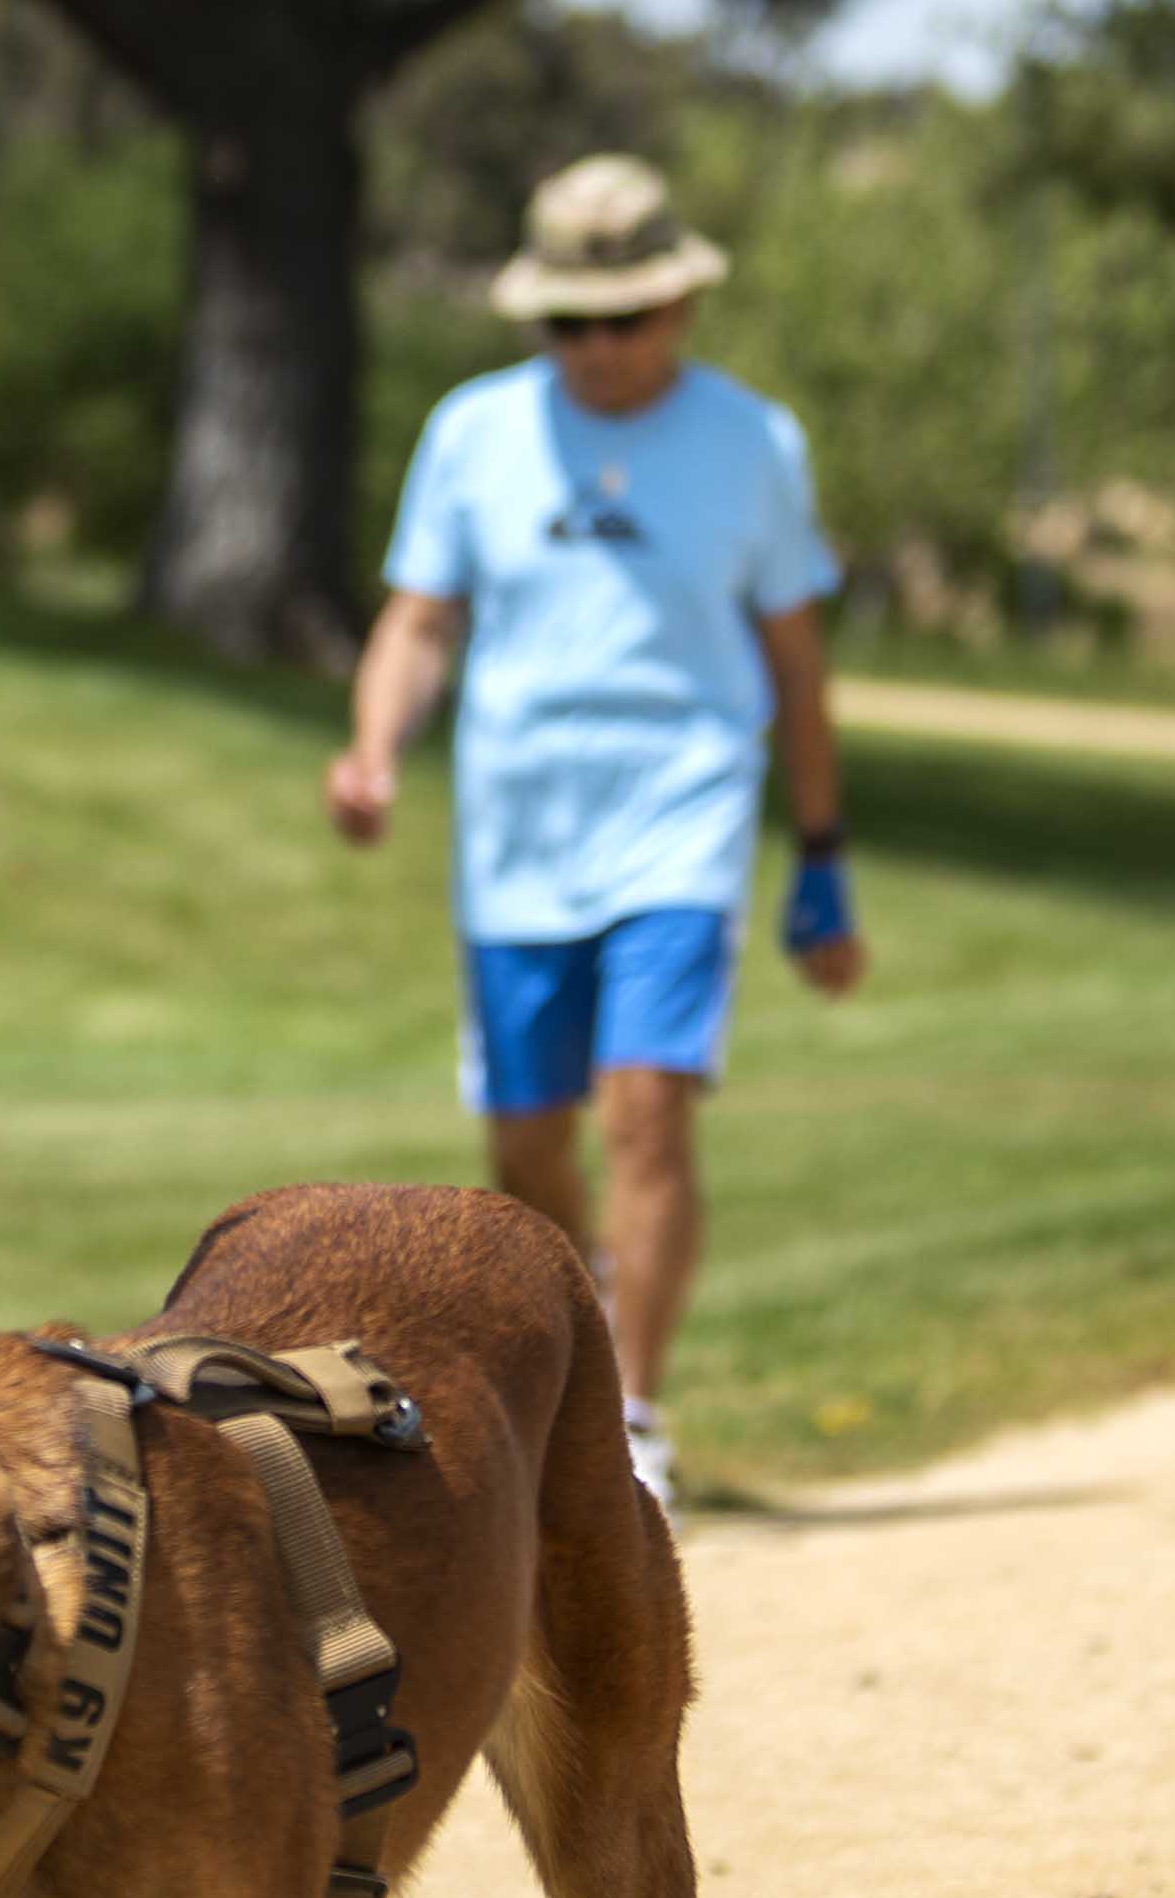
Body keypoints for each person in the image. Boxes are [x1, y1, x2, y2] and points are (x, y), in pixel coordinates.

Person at [322, 154, 863, 1502]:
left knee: (646, 1107)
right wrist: (376, 743)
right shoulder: (472, 432)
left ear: (680, 306)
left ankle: (629, 1413)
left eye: (626, 316)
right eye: (572, 321)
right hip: (517, 828)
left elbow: (793, 658)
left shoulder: (753, 441)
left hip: (680, 810)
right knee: (523, 1145)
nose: (602, 346)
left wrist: (822, 852)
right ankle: (590, 1328)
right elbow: (422, 615)